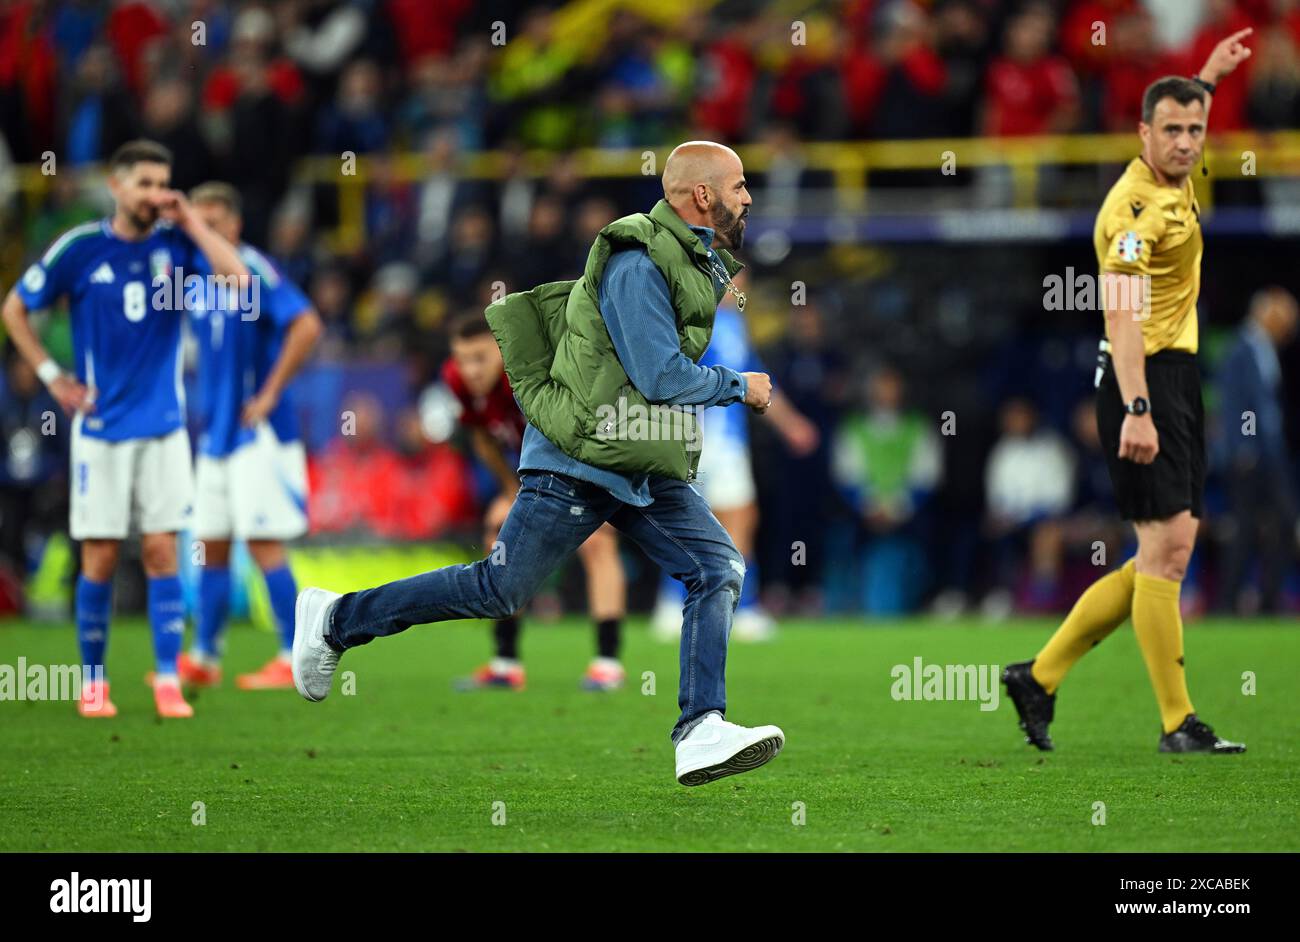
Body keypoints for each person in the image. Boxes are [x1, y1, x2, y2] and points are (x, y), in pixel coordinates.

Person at [293, 141, 785, 786]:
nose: (748, 197)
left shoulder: (688, 258)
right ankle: (334, 620)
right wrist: (736, 384)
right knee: (499, 590)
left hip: (634, 452)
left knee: (716, 565)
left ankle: (700, 730)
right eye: (740, 185)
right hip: (581, 456)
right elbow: (660, 376)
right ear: (701, 196)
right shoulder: (640, 262)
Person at [1003, 32, 1255, 754]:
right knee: (1166, 550)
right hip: (1141, 376)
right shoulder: (1133, 214)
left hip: (1173, 377)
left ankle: (1040, 676)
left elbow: (1189, 113)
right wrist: (1138, 407)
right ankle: (1178, 723)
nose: (1185, 142)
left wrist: (1207, 73)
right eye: (1171, 130)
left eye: (1195, 129)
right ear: (1142, 134)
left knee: (1164, 551)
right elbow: (1121, 316)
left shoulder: (1178, 177)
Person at [1, 139, 249, 718]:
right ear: (116, 186)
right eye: (144, 183)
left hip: (163, 428)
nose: (154, 194)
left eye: (163, 183)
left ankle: (166, 678)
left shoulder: (176, 244)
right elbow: (15, 307)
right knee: (101, 556)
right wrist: (51, 376)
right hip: (102, 429)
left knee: (163, 551)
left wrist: (189, 217)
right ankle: (93, 683)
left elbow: (238, 281)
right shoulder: (81, 249)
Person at [176, 181, 323, 690]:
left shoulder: (253, 269)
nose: (204, 232)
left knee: (264, 546)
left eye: (214, 223)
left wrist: (269, 393)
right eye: (198, 222)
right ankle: (206, 656)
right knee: (211, 545)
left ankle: (293, 654)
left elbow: (306, 324)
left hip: (257, 434)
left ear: (235, 225)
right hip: (215, 436)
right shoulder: (192, 276)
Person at [440, 312, 629, 691]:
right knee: (500, 541)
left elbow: (583, 428)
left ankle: (608, 666)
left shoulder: (534, 374)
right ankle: (505, 664)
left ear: (503, 350)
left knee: (598, 542)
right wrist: (510, 490)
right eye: (462, 359)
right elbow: (481, 436)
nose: (470, 370)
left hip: (592, 457)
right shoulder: (459, 381)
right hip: (540, 469)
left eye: (480, 358)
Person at [651, 272, 818, 642]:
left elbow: (757, 383)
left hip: (724, 440)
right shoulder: (694, 320)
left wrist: (790, 424)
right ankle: (704, 606)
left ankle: (692, 606)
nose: (741, 287)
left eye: (743, 280)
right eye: (733, 279)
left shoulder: (732, 324)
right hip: (700, 437)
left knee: (732, 520)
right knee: (713, 520)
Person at [1214, 286, 1298, 615]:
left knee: (1279, 523)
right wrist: (1245, 445)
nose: (1290, 327)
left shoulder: (1265, 348)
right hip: (1252, 456)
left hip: (1270, 453)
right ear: (1267, 314)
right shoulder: (1241, 348)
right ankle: (1230, 603)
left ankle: (1267, 600)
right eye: (1287, 318)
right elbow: (1237, 406)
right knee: (1247, 527)